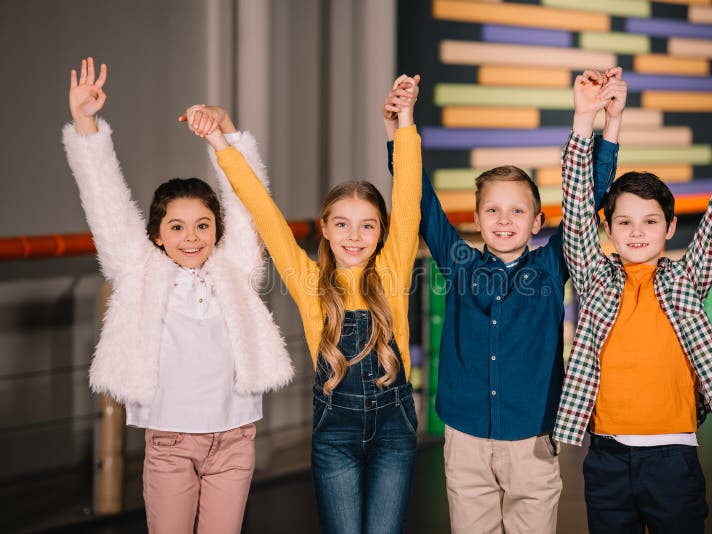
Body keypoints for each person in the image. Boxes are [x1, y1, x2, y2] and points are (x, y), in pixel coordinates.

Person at [63, 57, 294, 534]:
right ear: (156, 236)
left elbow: (248, 203)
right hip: (169, 441)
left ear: (217, 231)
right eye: (177, 227)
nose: (192, 238)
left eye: (203, 226)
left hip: (235, 439)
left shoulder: (235, 267)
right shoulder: (139, 270)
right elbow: (105, 200)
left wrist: (225, 134)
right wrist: (86, 123)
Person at [185, 74, 422, 534]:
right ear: (325, 229)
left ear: (382, 232)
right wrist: (219, 141)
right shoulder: (307, 280)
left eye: (368, 226)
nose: (354, 237)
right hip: (334, 435)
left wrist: (406, 120)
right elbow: (263, 210)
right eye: (343, 225)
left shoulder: (393, 268)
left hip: (396, 431)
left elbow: (408, 195)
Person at [383, 78, 620, 533]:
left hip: (533, 437)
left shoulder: (554, 265)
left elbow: (587, 199)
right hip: (465, 438)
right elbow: (419, 200)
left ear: (538, 221)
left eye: (517, 211)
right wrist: (402, 126)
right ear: (476, 218)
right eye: (492, 210)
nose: (504, 220)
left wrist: (603, 124)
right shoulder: (459, 264)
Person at [555, 65, 712, 533]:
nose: (636, 232)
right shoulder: (596, 278)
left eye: (649, 222)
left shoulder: (686, 279)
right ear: (608, 230)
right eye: (623, 222)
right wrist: (584, 119)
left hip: (673, 457)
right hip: (605, 456)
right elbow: (576, 207)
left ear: (669, 228)